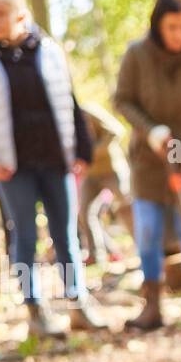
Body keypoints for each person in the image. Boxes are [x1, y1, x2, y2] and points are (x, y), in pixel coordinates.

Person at [0, 0, 106, 339]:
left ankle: (77, 303)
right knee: (24, 236)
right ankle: (35, 310)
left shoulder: (48, 51)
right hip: (12, 166)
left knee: (66, 235)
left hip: (56, 160)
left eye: (2, 12)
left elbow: (70, 102)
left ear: (21, 14)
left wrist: (83, 150)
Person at [114, 0, 181, 331]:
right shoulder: (137, 55)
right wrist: (149, 130)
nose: (179, 34)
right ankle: (153, 304)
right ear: (158, 26)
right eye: (172, 27)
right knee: (148, 232)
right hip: (151, 161)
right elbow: (123, 101)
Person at [78, 104, 134, 266]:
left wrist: (92, 152)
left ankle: (144, 247)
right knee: (84, 212)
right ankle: (96, 255)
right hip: (90, 175)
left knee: (128, 205)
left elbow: (116, 131)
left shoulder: (88, 112)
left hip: (111, 169)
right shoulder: (64, 120)